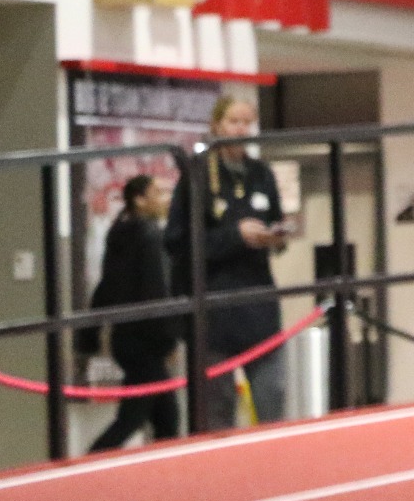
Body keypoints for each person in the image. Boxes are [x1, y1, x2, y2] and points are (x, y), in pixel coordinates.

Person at [166, 96, 289, 429]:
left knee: (273, 397)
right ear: (217, 125)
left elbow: (276, 220)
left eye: (247, 122)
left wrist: (276, 236)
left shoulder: (261, 173)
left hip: (259, 307)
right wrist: (235, 236)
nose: (241, 129)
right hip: (214, 313)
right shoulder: (197, 175)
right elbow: (177, 242)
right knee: (216, 412)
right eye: (234, 121)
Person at [82, 175, 181, 452]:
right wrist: (168, 339)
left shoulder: (119, 234)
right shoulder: (149, 236)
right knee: (132, 418)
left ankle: (165, 471)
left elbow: (106, 285)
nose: (165, 199)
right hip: (146, 341)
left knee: (166, 418)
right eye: (157, 193)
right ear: (139, 200)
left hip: (126, 338)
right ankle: (91, 462)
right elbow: (155, 290)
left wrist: (90, 332)